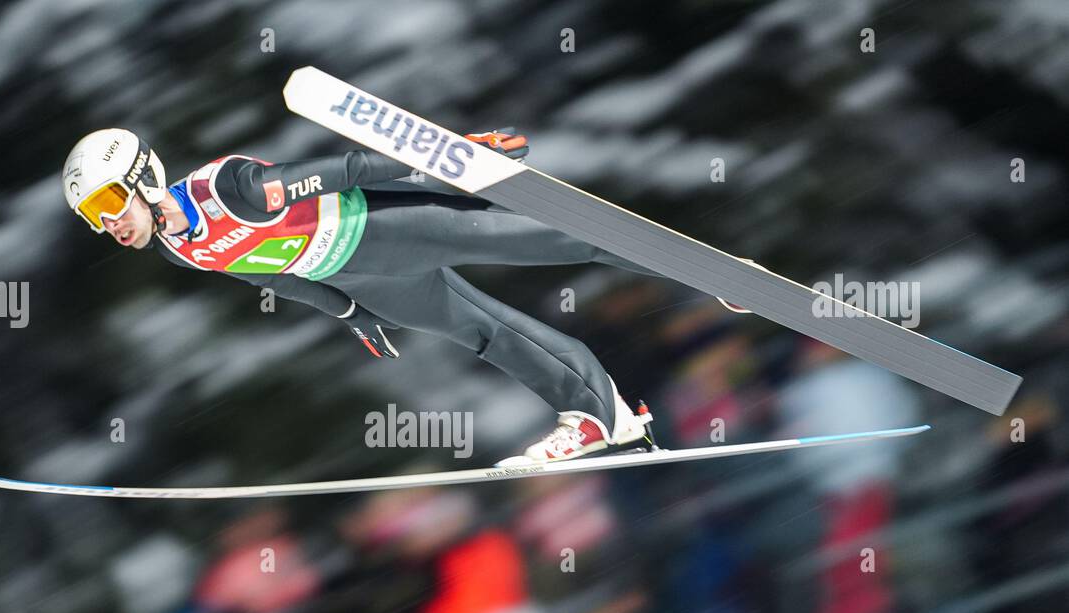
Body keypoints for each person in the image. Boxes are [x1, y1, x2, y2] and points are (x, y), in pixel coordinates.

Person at [61, 128, 739, 464]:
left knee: (544, 240)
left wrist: (454, 158)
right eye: (93, 215)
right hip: (365, 280)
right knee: (486, 333)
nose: (109, 221)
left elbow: (347, 169)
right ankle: (600, 416)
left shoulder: (229, 189)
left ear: (143, 177)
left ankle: (706, 272)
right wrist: (351, 312)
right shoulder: (176, 245)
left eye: (108, 200)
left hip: (383, 227)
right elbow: (271, 277)